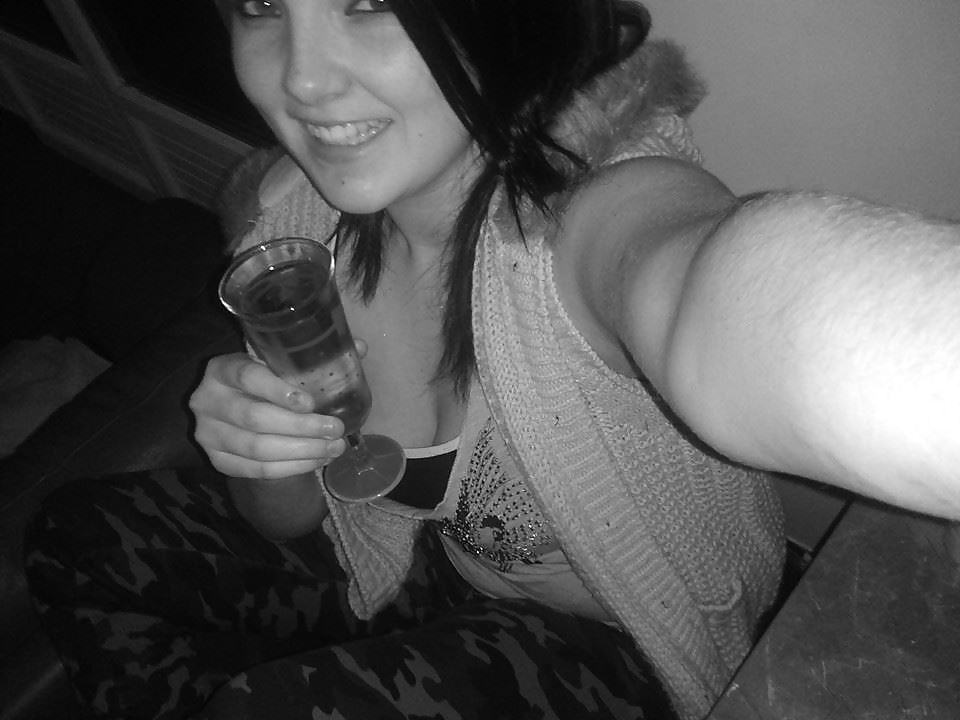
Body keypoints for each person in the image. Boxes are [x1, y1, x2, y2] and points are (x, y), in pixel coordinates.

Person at [24, 1, 960, 719]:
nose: (301, 79)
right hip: (410, 569)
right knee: (78, 535)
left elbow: (706, 287)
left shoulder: (591, 218)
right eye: (263, 5)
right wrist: (260, 457)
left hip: (622, 643)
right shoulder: (291, 236)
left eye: (369, 1)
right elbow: (288, 519)